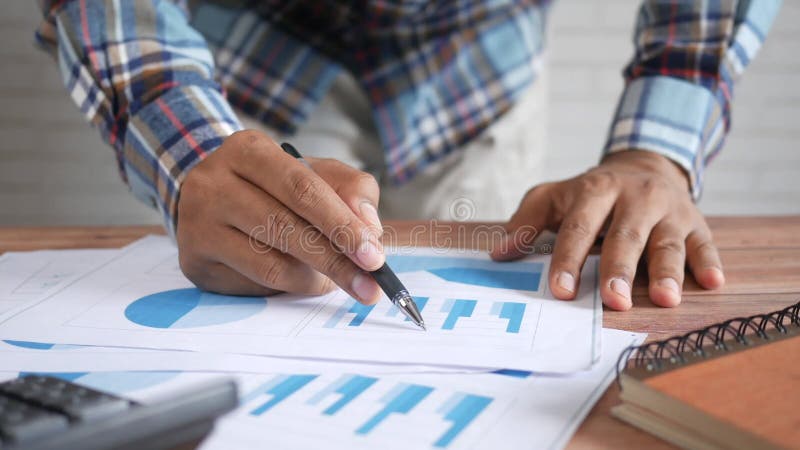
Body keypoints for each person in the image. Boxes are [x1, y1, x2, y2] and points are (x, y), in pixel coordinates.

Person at [36, 1, 778, 310]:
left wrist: (656, 150)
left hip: (475, 67)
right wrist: (190, 150)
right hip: (252, 63)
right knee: (261, 259)